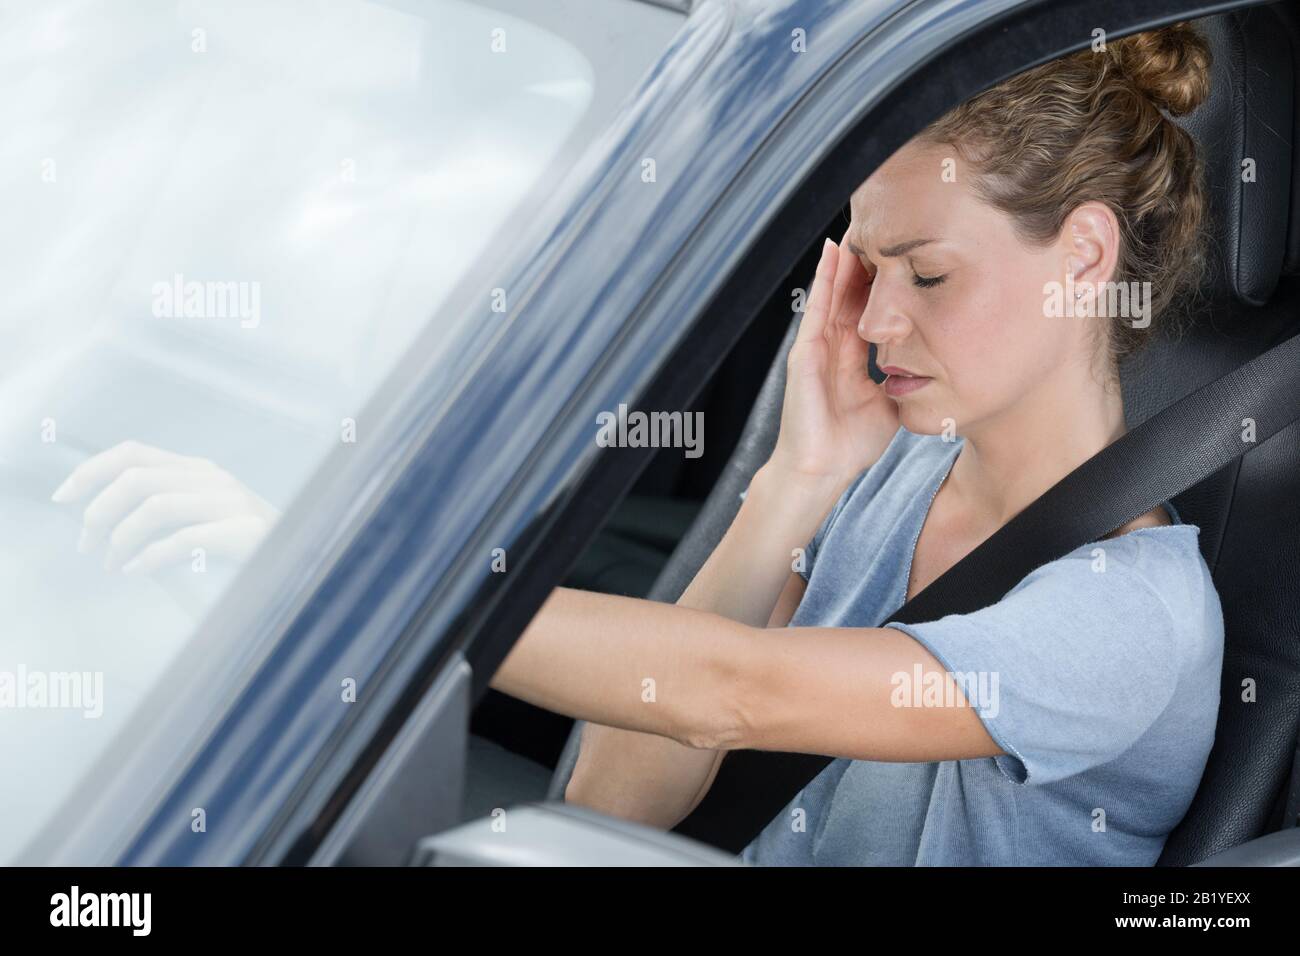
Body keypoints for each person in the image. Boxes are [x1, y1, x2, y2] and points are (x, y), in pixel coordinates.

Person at [54, 23, 1224, 865]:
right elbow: (620, 797)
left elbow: (733, 691)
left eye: (925, 272)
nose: (873, 319)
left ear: (1081, 257)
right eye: (864, 267)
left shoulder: (1128, 620)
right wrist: (791, 483)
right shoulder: (891, 485)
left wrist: (345, 584)